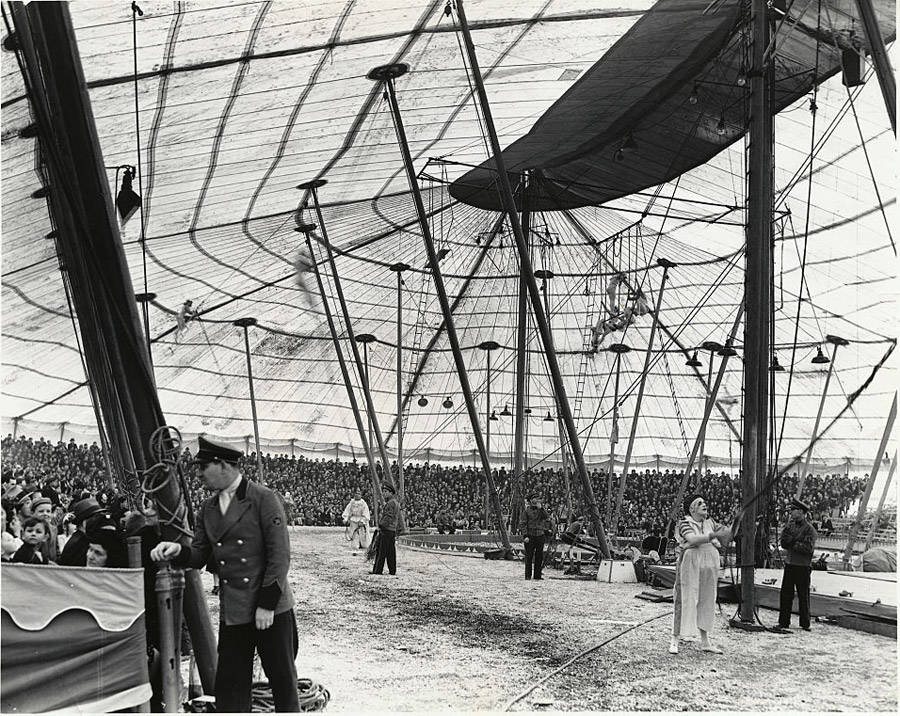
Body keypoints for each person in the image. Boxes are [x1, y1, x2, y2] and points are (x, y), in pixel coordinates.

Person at [150, 436, 299, 712]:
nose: (199, 474)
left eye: (203, 467)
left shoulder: (263, 498)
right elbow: (199, 554)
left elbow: (279, 557)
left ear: (222, 465)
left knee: (282, 682)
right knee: (230, 686)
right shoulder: (208, 508)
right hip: (235, 610)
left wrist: (266, 605)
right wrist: (177, 551)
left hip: (271, 609)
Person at [670, 494, 731, 655]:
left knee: (707, 599)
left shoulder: (711, 522)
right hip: (691, 562)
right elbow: (692, 539)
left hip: (710, 562)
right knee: (685, 598)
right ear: (692, 508)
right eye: (700, 503)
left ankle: (705, 642)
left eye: (704, 502)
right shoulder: (684, 523)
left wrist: (737, 525)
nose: (704, 504)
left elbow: (728, 534)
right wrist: (712, 536)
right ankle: (675, 639)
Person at [773, 498, 817, 634]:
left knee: (803, 595)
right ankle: (783, 622)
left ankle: (805, 623)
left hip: (803, 566)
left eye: (794, 510)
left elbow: (808, 548)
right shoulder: (790, 526)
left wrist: (793, 542)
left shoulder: (810, 530)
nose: (791, 513)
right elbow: (783, 543)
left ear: (801, 512)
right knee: (786, 594)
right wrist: (795, 542)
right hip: (790, 564)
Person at [522, 493, 554, 581]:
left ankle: (537, 575)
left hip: (540, 535)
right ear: (531, 500)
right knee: (529, 557)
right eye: (534, 498)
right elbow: (523, 524)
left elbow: (547, 517)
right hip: (530, 536)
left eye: (537, 498)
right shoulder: (526, 511)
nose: (536, 500)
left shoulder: (541, 510)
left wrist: (542, 508)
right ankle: (528, 576)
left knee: (539, 557)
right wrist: (525, 535)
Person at [373, 483, 399, 576]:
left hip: (386, 530)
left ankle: (377, 570)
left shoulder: (391, 503)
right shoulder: (394, 502)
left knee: (381, 552)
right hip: (391, 530)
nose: (384, 494)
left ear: (391, 493)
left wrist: (381, 525)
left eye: (386, 492)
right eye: (383, 491)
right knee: (390, 552)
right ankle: (392, 570)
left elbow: (388, 517)